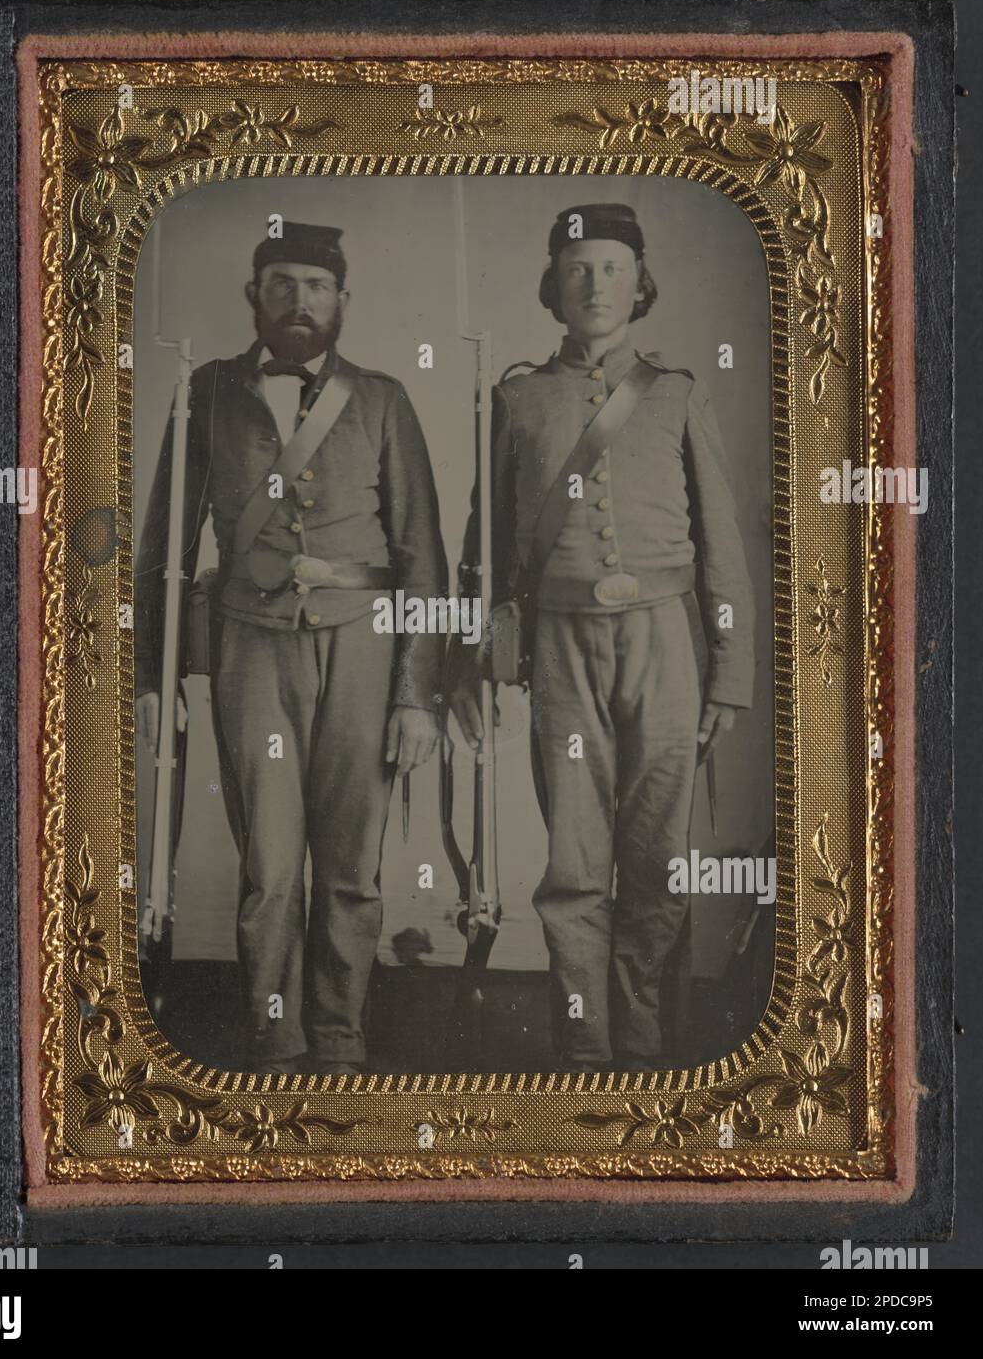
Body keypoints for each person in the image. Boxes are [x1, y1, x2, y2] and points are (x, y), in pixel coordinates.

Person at [136, 220, 447, 1074]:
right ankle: (275, 1036)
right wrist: (148, 674)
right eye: (280, 284)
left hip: (365, 649)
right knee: (270, 867)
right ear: (254, 298)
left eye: (315, 286)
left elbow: (423, 554)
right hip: (251, 648)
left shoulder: (382, 398)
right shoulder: (205, 392)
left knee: (351, 863)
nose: (298, 301)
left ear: (342, 300)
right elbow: (165, 545)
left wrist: (417, 695)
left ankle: (340, 1039)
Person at [451, 204, 754, 1070]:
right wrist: (477, 656)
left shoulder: (677, 395)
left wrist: (729, 675)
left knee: (657, 862)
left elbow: (722, 547)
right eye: (577, 268)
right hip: (561, 650)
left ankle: (649, 1055)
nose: (595, 284)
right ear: (554, 287)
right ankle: (584, 1054)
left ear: (639, 282)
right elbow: (487, 549)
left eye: (612, 267)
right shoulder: (515, 398)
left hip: (667, 645)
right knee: (575, 867)